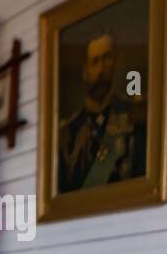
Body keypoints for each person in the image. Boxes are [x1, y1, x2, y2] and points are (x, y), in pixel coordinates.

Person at [57, 29, 147, 191]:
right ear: (85, 71)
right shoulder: (66, 134)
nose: (101, 68)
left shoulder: (135, 120)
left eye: (107, 58)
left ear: (115, 62)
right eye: (95, 61)